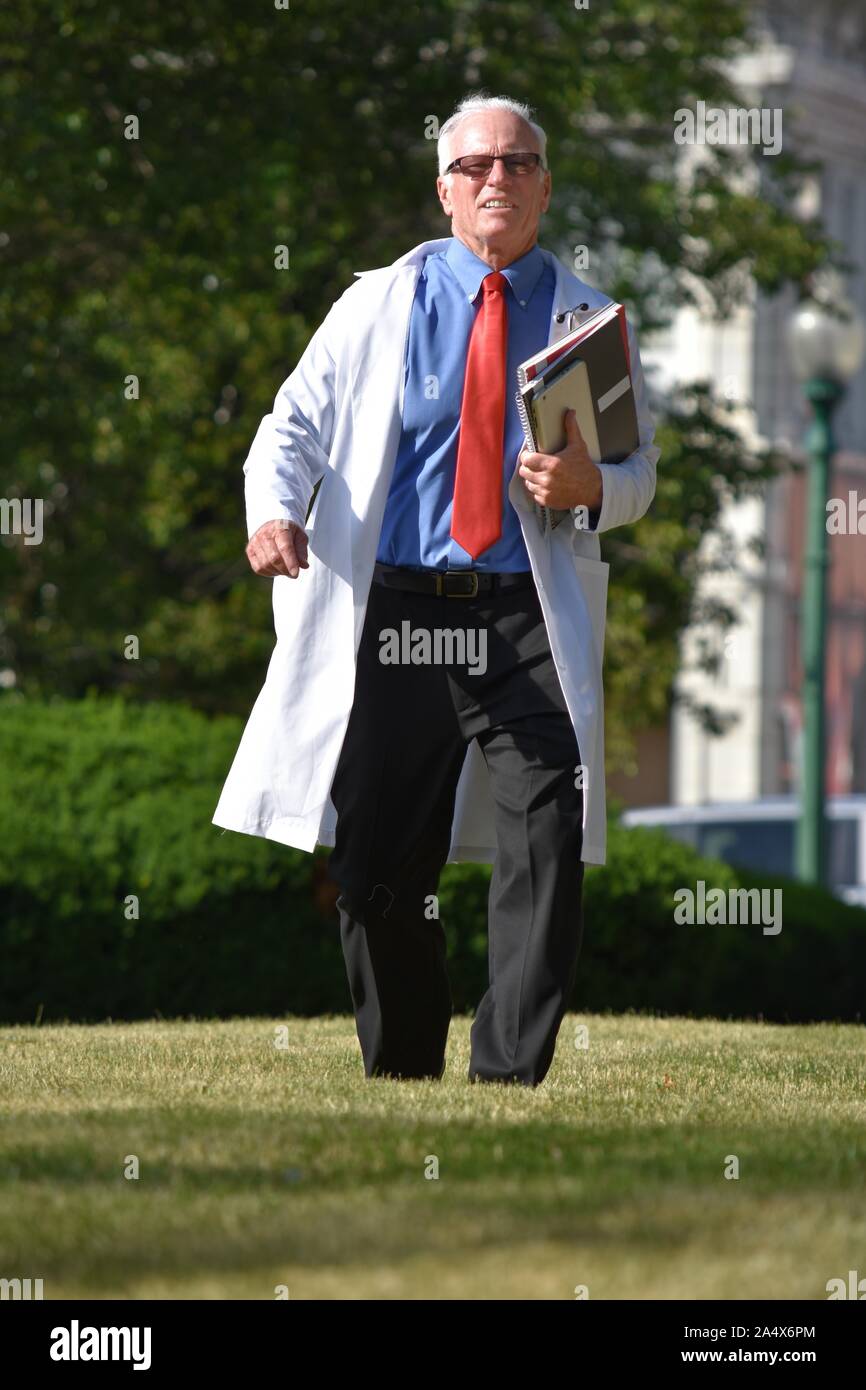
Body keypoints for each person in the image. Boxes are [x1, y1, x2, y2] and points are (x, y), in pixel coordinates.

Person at [213, 93, 660, 1086]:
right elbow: (290, 425)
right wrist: (273, 512)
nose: (494, 179)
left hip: (521, 618)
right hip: (395, 612)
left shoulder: (587, 320)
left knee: (546, 833)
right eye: (473, 167)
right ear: (443, 191)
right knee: (377, 863)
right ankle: (404, 1068)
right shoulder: (380, 300)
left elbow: (635, 478)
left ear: (543, 184)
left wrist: (593, 488)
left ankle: (505, 1072)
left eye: (516, 163)